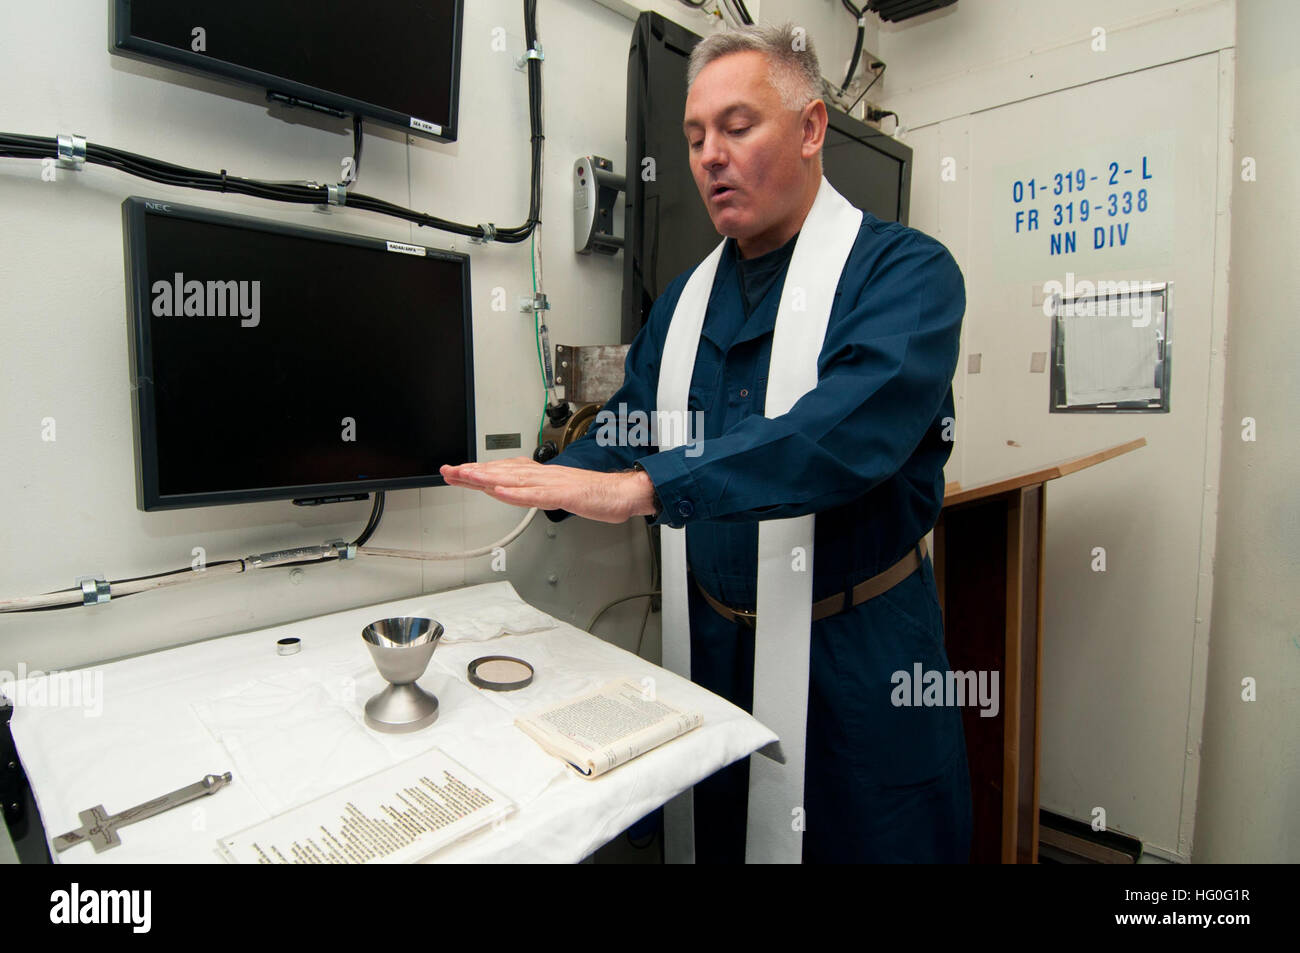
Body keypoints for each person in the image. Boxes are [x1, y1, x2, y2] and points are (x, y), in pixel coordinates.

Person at [441, 22, 971, 863]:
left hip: (857, 655)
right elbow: (635, 423)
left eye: (737, 126)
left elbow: (837, 435)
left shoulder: (906, 274)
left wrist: (647, 486)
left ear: (809, 128)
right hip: (713, 646)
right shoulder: (686, 301)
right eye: (694, 138)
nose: (709, 156)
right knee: (714, 839)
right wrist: (549, 479)